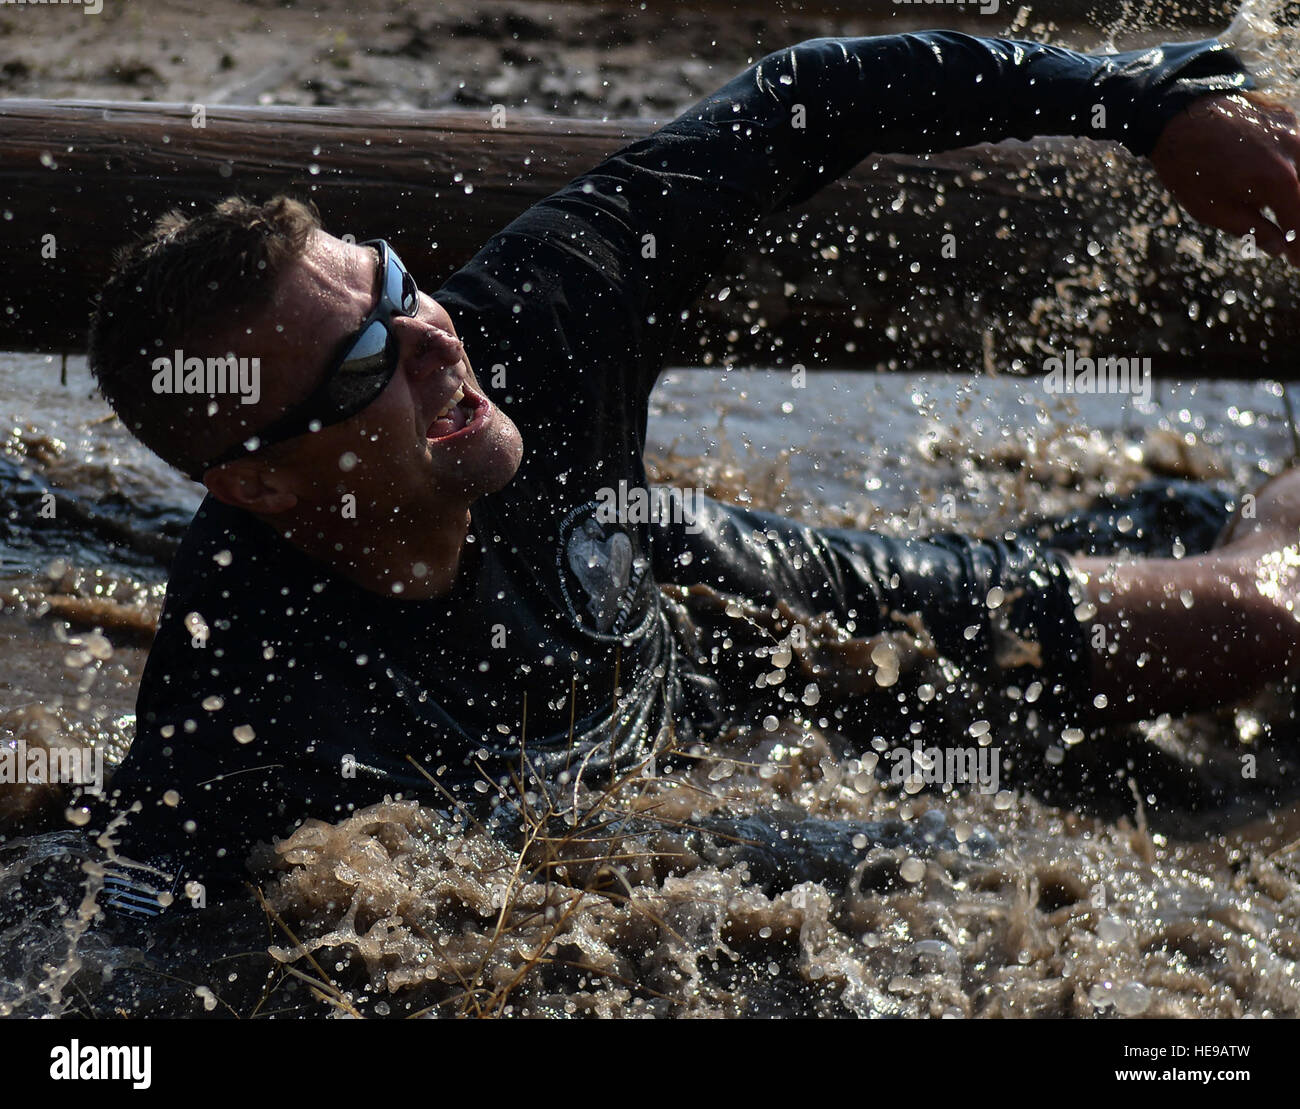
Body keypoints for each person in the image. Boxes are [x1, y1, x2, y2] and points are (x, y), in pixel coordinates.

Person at [83, 30, 1300, 915]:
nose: (433, 343)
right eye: (363, 366)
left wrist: (1140, 102)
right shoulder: (244, 711)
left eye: (398, 286)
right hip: (650, 744)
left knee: (1253, 617)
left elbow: (803, 95)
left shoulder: (531, 320)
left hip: (701, 596)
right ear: (261, 486)